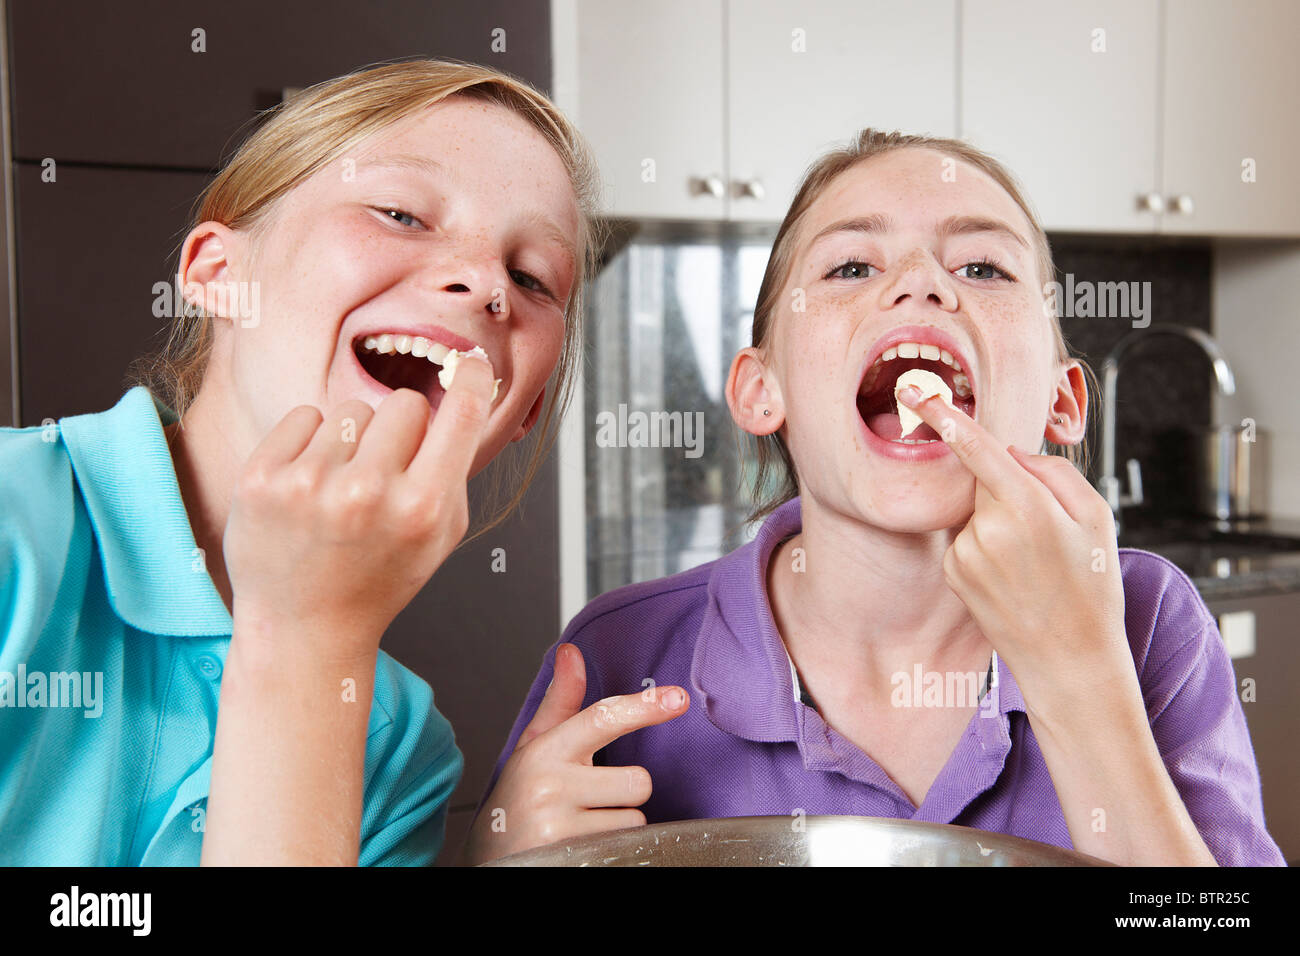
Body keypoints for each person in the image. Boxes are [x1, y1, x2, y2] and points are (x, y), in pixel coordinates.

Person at [468, 129, 1285, 867]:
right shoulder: (622, 656)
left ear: (1061, 404)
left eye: (983, 268)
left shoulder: (1146, 620)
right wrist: (505, 850)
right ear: (762, 390)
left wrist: (1079, 674)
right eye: (852, 266)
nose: (923, 284)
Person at [0, 58, 599, 865]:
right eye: (400, 213)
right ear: (218, 272)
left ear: (523, 408)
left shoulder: (399, 753)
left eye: (533, 278)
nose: (487, 283)